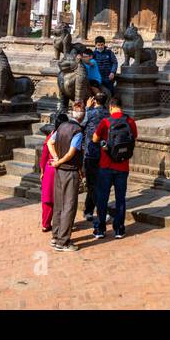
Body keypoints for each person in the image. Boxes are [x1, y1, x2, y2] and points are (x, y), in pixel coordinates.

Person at [92, 95, 137, 239]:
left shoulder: (105, 122)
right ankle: (119, 229)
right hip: (123, 166)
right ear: (121, 106)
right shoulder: (130, 121)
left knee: (102, 198)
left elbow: (94, 138)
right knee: (120, 199)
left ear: (110, 107)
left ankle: (100, 229)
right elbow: (133, 138)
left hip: (105, 165)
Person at [48, 101, 86, 252]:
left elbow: (50, 143)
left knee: (59, 203)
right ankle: (63, 241)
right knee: (69, 205)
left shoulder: (62, 126)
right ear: (82, 117)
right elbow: (71, 152)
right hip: (69, 170)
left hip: (59, 171)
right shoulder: (77, 131)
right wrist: (61, 160)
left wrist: (56, 158)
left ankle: (55, 235)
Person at [81, 93, 107, 225]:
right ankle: (88, 210)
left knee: (92, 184)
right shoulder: (108, 114)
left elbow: (82, 125)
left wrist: (87, 108)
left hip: (90, 152)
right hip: (103, 153)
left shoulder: (90, 113)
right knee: (96, 183)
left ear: (94, 101)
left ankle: (100, 210)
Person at [39, 113, 64, 232]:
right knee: (61, 200)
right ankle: (59, 224)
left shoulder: (51, 136)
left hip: (50, 168)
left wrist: (42, 171)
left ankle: (46, 223)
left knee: (48, 199)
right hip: (63, 169)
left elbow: (44, 156)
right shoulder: (68, 136)